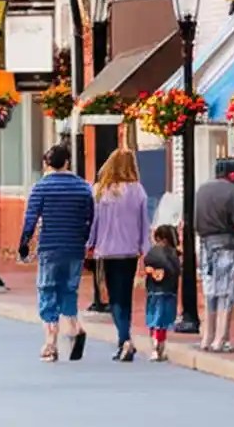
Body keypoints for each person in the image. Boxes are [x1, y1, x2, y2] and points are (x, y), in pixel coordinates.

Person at [18, 144, 95, 363]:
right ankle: (75, 326)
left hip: (50, 246)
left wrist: (24, 242)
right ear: (67, 162)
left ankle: (51, 342)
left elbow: (31, 218)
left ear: (47, 164)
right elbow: (90, 217)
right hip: (74, 247)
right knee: (69, 289)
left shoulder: (41, 187)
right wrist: (84, 239)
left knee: (47, 290)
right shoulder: (83, 187)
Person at [86, 148, 150, 362]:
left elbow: (94, 223)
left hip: (106, 251)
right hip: (130, 251)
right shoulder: (138, 191)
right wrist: (145, 249)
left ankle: (124, 339)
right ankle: (125, 338)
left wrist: (90, 244)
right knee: (125, 296)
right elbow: (144, 223)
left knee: (113, 298)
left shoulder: (100, 190)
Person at [193, 174, 234, 352]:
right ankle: (220, 338)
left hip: (205, 244)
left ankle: (207, 337)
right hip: (227, 243)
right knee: (226, 293)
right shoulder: (233, 191)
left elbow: (194, 221)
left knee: (210, 292)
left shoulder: (201, 190)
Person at [143, 224, 180, 362]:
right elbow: (176, 271)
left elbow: (146, 265)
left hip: (153, 290)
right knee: (164, 320)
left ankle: (154, 346)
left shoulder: (151, 253)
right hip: (169, 291)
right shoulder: (173, 253)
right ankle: (160, 345)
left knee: (153, 318)